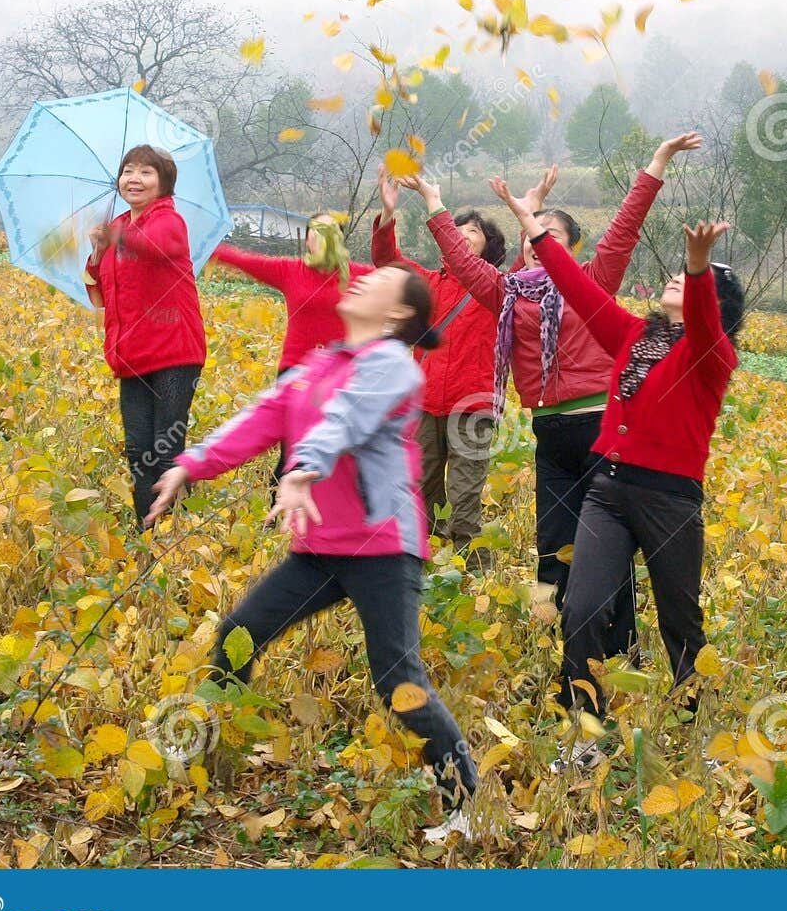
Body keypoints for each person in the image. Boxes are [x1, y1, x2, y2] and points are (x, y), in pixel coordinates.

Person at [147, 265, 478, 843]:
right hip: (321, 548)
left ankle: (466, 804)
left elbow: (344, 420)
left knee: (397, 677)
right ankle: (208, 754)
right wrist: (189, 464)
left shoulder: (392, 366)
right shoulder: (319, 364)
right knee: (239, 632)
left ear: (399, 313)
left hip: (381, 548)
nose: (359, 280)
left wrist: (302, 469)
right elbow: (260, 419)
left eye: (379, 281)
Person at [397, 133, 702, 658]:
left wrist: (656, 163)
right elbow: (465, 264)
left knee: (608, 545)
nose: (536, 240)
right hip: (551, 434)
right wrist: (433, 203)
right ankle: (553, 629)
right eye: (530, 235)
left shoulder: (594, 281)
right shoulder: (509, 297)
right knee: (550, 541)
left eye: (549, 234)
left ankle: (622, 641)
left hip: (599, 431)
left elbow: (626, 227)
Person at [490, 176, 743, 774]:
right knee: (582, 608)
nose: (676, 282)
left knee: (681, 620)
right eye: (680, 276)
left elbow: (704, 320)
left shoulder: (711, 354)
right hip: (608, 489)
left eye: (691, 283)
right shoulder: (634, 334)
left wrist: (700, 264)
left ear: (718, 304)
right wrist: (532, 227)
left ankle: (696, 729)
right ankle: (585, 732)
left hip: (669, 500)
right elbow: (578, 290)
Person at [372, 166, 503, 564]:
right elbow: (387, 261)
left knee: (465, 494)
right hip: (425, 402)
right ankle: (427, 563)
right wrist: (389, 212)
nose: (462, 235)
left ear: (490, 248)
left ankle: (473, 573)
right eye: (457, 229)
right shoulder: (428, 282)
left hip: (472, 405)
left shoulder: (497, 288)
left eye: (473, 232)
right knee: (421, 486)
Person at [84, 144, 206, 530]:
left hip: (174, 351)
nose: (134, 179)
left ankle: (168, 532)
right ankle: (146, 529)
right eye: (128, 171)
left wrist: (117, 238)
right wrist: (95, 253)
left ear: (163, 182)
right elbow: (100, 295)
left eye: (145, 172)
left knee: (165, 446)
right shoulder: (119, 225)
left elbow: (158, 248)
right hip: (131, 354)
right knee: (138, 447)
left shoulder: (170, 221)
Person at [210, 213, 373, 486]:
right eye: (312, 231)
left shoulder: (359, 276)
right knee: (292, 447)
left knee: (332, 448)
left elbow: (398, 279)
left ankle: (325, 510)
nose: (317, 236)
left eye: (326, 231)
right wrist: (205, 246)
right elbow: (244, 260)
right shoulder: (291, 270)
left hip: (340, 375)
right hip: (296, 371)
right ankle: (280, 513)